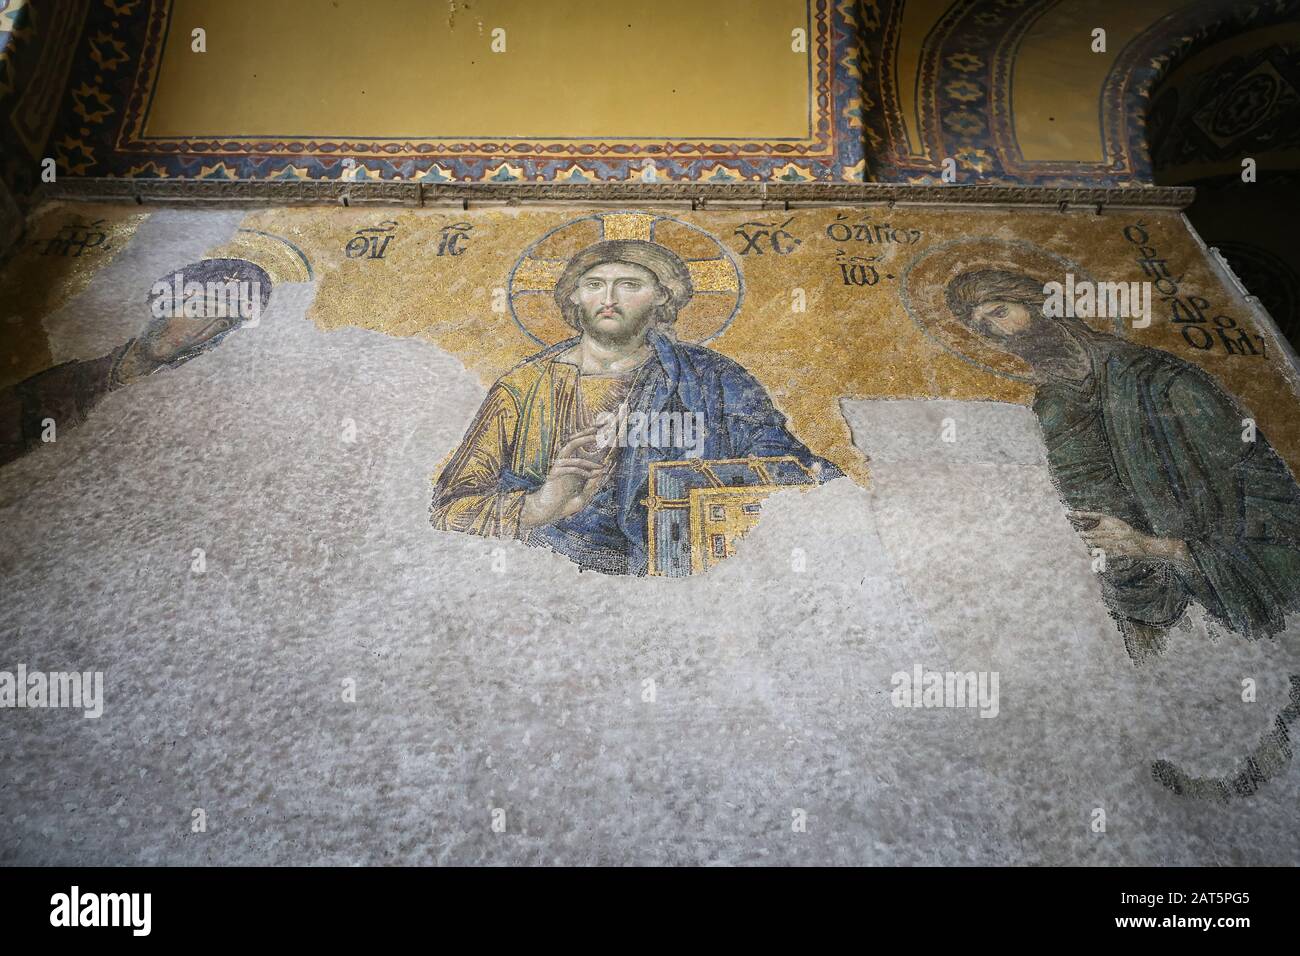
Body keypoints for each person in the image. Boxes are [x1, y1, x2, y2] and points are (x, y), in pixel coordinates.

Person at [431, 239, 839, 575]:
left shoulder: (713, 378)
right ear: (574, 295)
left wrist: (702, 492)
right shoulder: (522, 390)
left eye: (628, 284)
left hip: (686, 580)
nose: (608, 298)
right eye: (593, 284)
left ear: (663, 295)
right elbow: (448, 511)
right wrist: (540, 505)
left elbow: (797, 475)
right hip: (549, 580)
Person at [945, 268, 1300, 652]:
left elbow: (1269, 500)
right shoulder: (1051, 404)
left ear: (1045, 308)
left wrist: (1158, 548)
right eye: (981, 327)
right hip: (1131, 601)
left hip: (1216, 594)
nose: (996, 333)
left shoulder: (1162, 381)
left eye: (999, 312)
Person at [0, 259, 268, 467]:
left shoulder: (171, 413)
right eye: (199, 309)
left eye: (221, 324)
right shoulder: (72, 372)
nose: (197, 332)